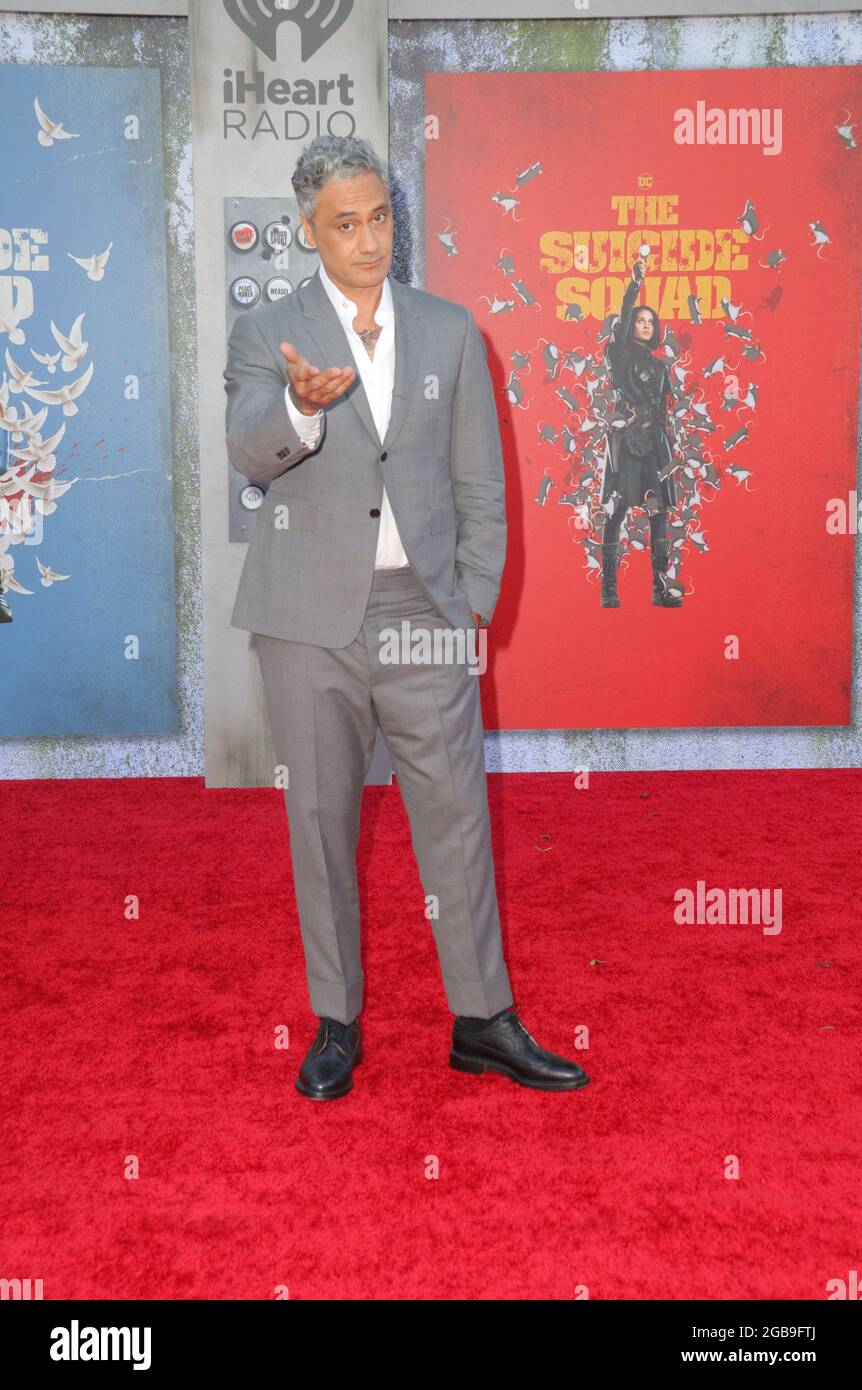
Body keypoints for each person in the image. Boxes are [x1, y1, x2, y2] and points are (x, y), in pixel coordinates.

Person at [224, 134, 589, 1100]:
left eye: (381, 215)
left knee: (458, 820)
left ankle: (483, 1020)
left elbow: (482, 487)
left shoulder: (450, 328)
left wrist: (468, 604)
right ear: (310, 230)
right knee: (321, 821)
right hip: (308, 620)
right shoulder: (272, 333)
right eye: (346, 223)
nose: (370, 237)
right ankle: (335, 1023)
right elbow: (247, 452)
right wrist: (300, 411)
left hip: (424, 613)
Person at [599, 254, 683, 608]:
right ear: (630, 323)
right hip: (628, 440)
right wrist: (634, 285)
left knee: (659, 512)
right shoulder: (619, 353)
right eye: (640, 319)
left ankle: (660, 586)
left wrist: (671, 443)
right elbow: (622, 313)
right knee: (616, 510)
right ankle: (609, 588)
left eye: (651, 321)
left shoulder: (660, 364)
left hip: (656, 443)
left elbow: (664, 408)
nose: (646, 324)